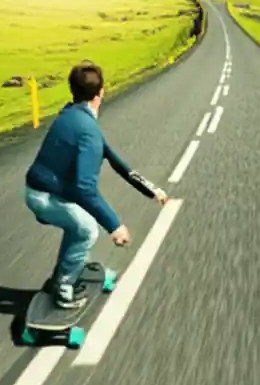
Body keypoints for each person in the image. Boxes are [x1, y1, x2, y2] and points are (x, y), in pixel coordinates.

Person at [23, 60, 168, 309]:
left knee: (78, 226)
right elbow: (84, 188)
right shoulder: (87, 130)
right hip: (46, 196)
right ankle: (64, 290)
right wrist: (114, 225)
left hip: (43, 190)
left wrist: (150, 190)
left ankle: (65, 273)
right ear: (101, 93)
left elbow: (113, 158)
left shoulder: (70, 114)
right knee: (88, 229)